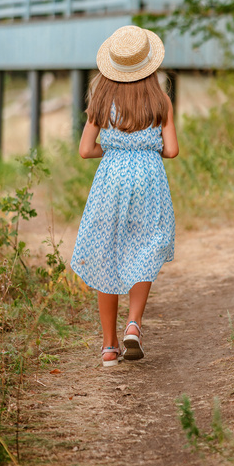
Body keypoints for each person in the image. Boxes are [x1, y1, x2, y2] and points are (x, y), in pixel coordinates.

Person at [70, 25, 179, 368]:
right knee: (146, 245)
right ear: (149, 66)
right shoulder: (160, 101)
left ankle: (108, 346)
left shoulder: (101, 101)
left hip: (111, 181)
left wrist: (115, 148)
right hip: (149, 181)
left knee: (107, 253)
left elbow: (85, 150)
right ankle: (133, 323)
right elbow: (172, 150)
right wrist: (146, 149)